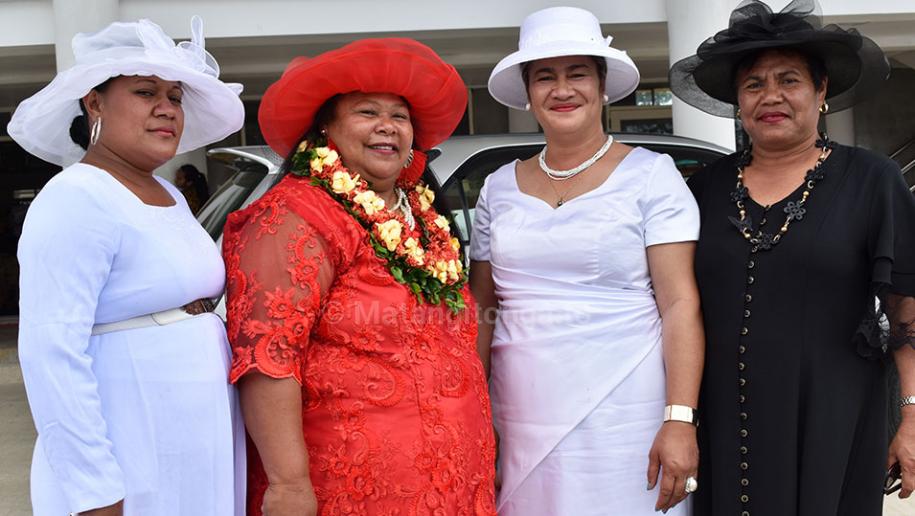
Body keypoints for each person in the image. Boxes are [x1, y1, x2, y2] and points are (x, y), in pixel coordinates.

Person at [223, 38, 496, 515]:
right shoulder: (296, 214)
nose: (387, 126)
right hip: (353, 487)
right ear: (325, 127)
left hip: (455, 479)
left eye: (400, 115)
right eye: (367, 112)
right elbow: (268, 357)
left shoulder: (422, 215)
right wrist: (288, 486)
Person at [668, 0, 915, 514]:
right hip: (726, 419)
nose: (771, 96)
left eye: (789, 80)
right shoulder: (702, 190)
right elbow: (675, 305)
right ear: (738, 100)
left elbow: (905, 310)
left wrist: (912, 415)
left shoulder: (872, 180)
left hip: (834, 413)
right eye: (754, 84)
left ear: (821, 91)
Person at [471, 7, 704, 515]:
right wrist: (471, 411)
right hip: (520, 406)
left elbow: (681, 303)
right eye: (544, 77)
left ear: (601, 86)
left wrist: (680, 417)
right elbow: (480, 307)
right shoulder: (497, 187)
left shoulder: (652, 175)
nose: (562, 89)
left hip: (626, 412)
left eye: (577, 73)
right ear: (529, 93)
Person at [9, 17, 246, 516]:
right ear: (94, 102)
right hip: (130, 443)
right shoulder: (76, 197)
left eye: (176, 97)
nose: (167, 109)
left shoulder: (171, 195)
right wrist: (93, 490)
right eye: (145, 92)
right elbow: (51, 353)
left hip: (193, 440)